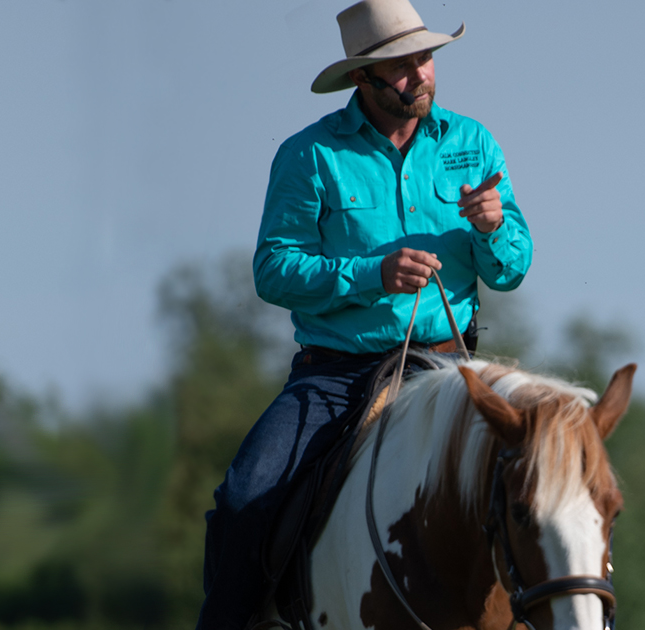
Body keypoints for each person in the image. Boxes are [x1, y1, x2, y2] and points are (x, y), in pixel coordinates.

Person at [196, 0, 532, 627]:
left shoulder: (473, 142)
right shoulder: (310, 155)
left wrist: (493, 229)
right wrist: (370, 274)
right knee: (245, 500)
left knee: (545, 483)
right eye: (400, 69)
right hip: (335, 376)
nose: (419, 76)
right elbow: (274, 270)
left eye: (424, 60)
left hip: (448, 368)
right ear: (363, 79)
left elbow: (511, 268)